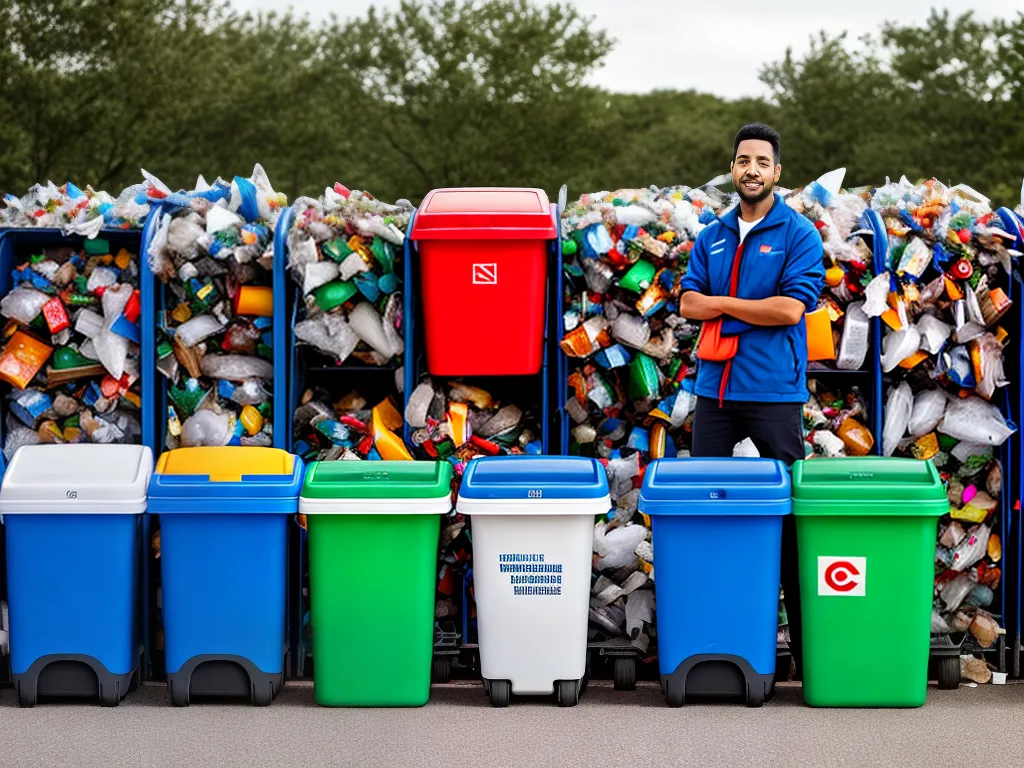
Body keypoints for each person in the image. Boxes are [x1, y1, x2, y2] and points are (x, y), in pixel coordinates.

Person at [678, 122, 825, 676]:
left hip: (773, 393)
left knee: (789, 518)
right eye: (744, 160)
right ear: (732, 169)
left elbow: (791, 310)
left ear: (777, 172)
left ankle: (806, 653)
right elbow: (689, 304)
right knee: (709, 513)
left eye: (762, 161)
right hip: (714, 392)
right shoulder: (713, 233)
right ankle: (717, 636)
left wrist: (723, 303)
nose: (752, 170)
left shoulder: (797, 233)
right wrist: (742, 304)